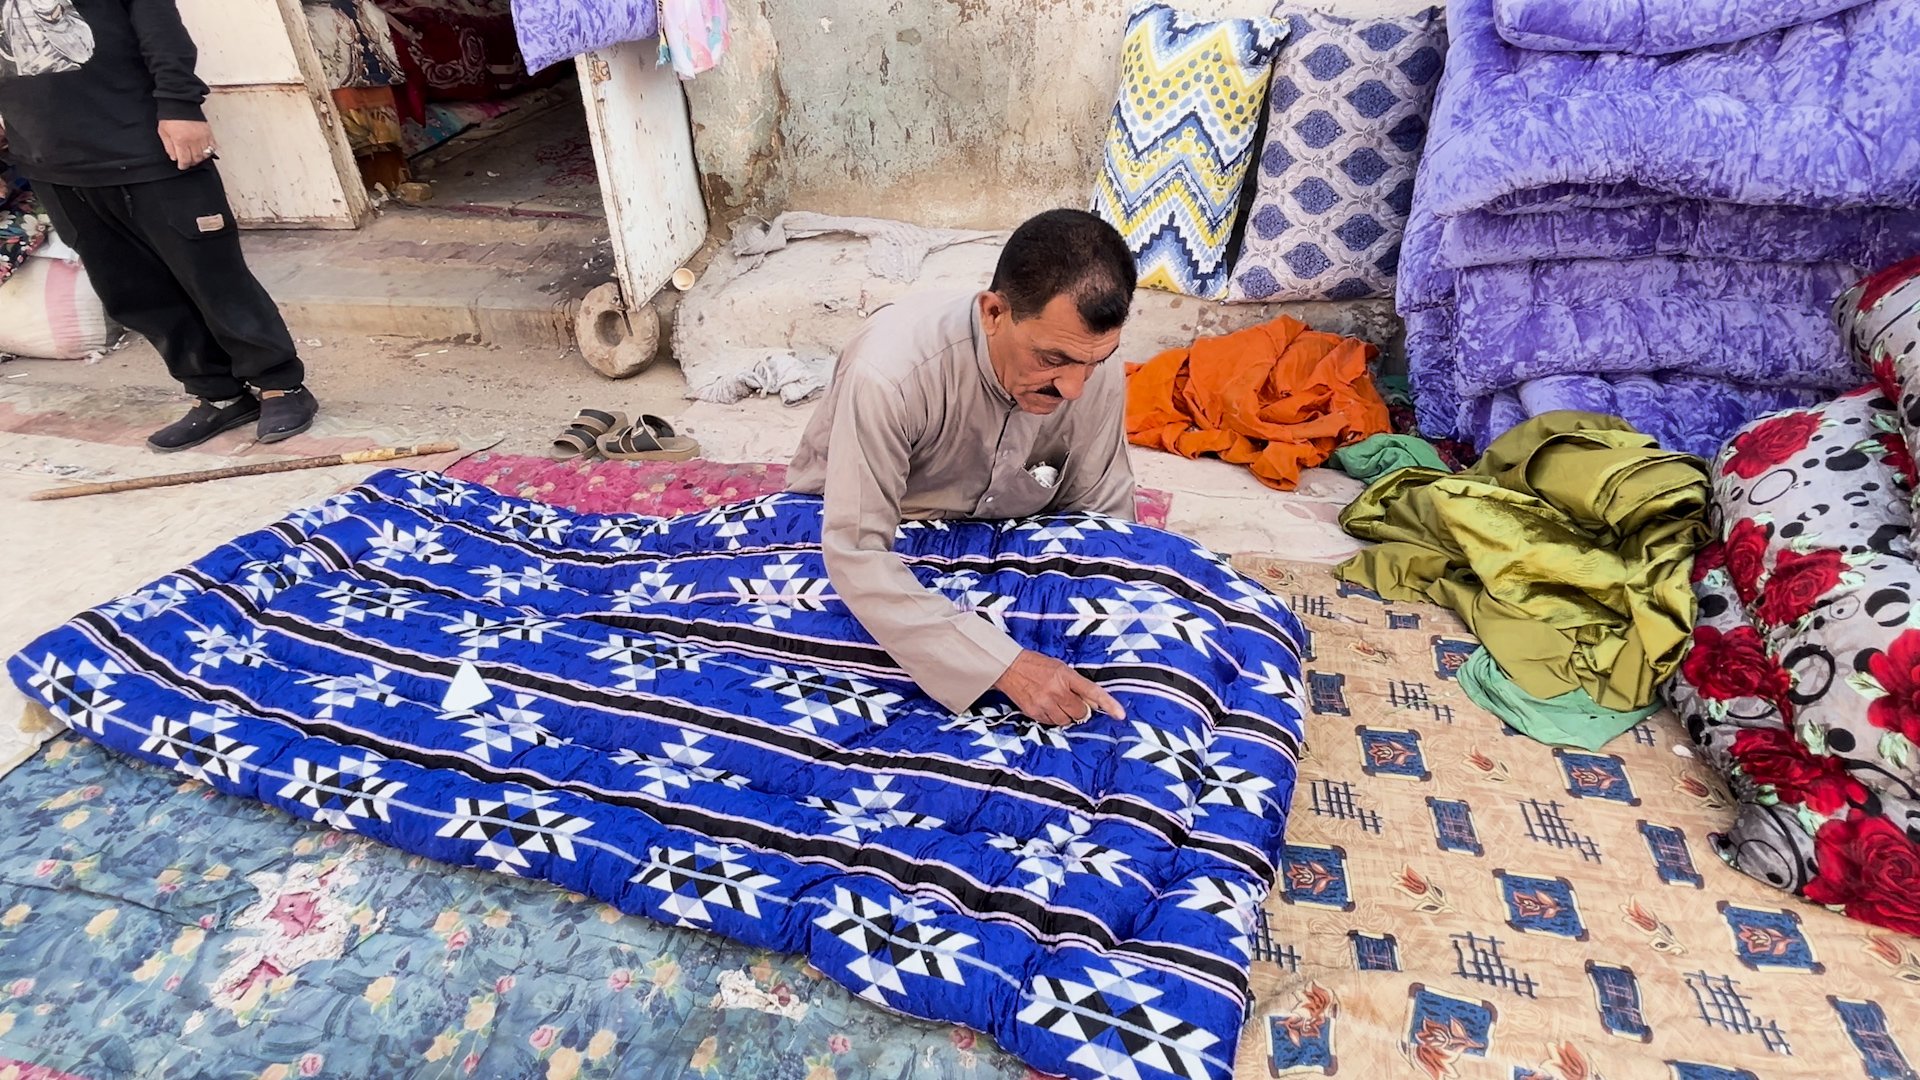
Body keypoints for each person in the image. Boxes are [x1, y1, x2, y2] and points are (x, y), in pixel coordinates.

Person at [787, 208, 1140, 727]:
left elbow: (1102, 511)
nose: (1074, 389)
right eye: (1051, 360)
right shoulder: (890, 375)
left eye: (1095, 361)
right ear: (994, 313)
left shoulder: (1089, 370)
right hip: (881, 532)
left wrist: (1108, 614)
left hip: (1008, 532)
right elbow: (856, 550)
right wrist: (1002, 665)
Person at [0, 0, 318, 451]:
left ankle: (280, 384)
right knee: (130, 292)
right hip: (51, 161)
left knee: (211, 276)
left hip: (146, 146)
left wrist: (181, 106)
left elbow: (161, 31)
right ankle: (218, 394)